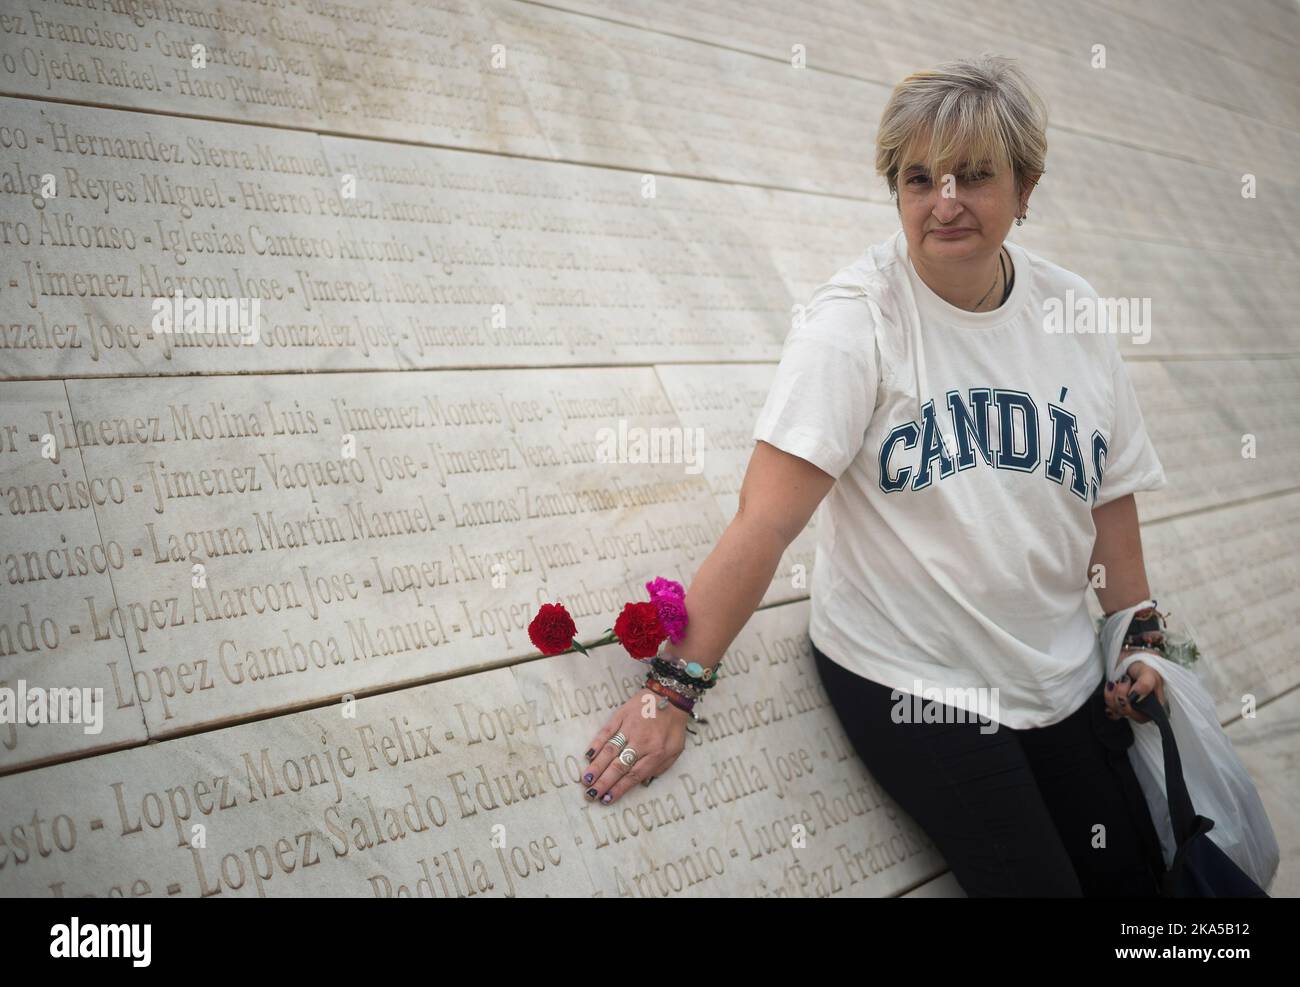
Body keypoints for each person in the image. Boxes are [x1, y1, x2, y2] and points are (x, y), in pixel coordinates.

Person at [577, 54, 1170, 897]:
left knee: (1147, 893)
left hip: (1063, 671)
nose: (946, 200)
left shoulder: (1073, 312)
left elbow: (1109, 491)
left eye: (975, 174)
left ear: (1026, 187)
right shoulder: (855, 324)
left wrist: (1138, 631)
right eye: (920, 178)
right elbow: (767, 521)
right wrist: (673, 687)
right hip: (916, 679)